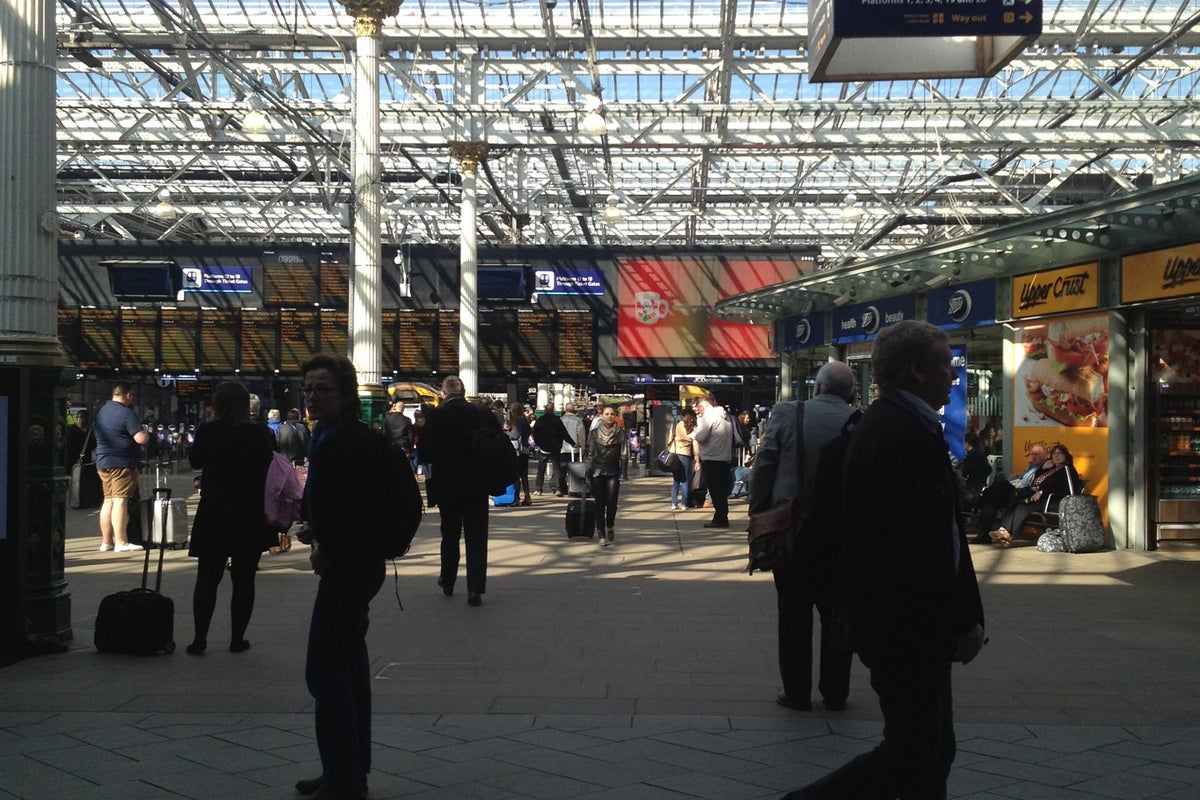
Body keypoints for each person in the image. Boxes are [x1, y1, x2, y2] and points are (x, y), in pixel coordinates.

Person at [780, 320, 985, 800]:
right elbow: (918, 544)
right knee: (915, 752)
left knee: (931, 752)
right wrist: (960, 617)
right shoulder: (897, 432)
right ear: (916, 370)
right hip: (905, 622)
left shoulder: (897, 425)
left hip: (902, 618)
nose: (953, 375)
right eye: (945, 365)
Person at [292, 353, 389, 800]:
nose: (312, 396)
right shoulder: (329, 435)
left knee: (326, 670)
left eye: (323, 388)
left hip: (350, 565)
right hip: (348, 559)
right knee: (347, 667)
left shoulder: (350, 441)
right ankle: (346, 767)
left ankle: (345, 777)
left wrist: (328, 548)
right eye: (308, 388)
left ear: (346, 394)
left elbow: (366, 510)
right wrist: (316, 527)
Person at [750, 361, 857, 712]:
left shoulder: (788, 413)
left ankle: (796, 692)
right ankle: (835, 692)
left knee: (793, 612)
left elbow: (765, 464)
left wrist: (758, 510)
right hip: (842, 535)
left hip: (792, 531)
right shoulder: (860, 420)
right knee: (836, 612)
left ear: (817, 388)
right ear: (850, 393)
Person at [185, 381, 276, 656]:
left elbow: (195, 461)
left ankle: (199, 639)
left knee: (207, 578)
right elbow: (268, 464)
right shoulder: (257, 432)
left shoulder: (208, 430)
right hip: (248, 511)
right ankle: (237, 639)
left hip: (214, 510)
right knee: (244, 579)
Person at [417, 375, 498, 607]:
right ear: (463, 392)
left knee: (450, 534)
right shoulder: (481, 413)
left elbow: (424, 451)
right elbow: (497, 442)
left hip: (447, 485)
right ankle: (475, 589)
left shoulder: (438, 415)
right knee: (476, 536)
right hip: (477, 484)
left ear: (443, 394)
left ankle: (448, 579)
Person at [93, 382, 150, 553]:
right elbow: (140, 439)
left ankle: (106, 542)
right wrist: (145, 431)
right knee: (120, 501)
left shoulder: (101, 411)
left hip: (103, 462)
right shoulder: (126, 413)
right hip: (122, 463)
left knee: (108, 500)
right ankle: (121, 542)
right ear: (128, 395)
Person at [990, 444, 1083, 545]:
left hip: (1051, 499)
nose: (1056, 456)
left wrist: (1042, 492)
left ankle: (1007, 533)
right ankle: (1004, 531)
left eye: (1059, 453)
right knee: (1016, 499)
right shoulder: (1051, 469)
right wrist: (1043, 468)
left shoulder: (1067, 470)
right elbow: (1037, 480)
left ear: (1066, 456)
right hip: (1036, 495)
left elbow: (1065, 488)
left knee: (1023, 507)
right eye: (1054, 454)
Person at [972, 444, 1049, 542]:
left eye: (1037, 454)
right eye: (1032, 454)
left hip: (1022, 494)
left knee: (999, 486)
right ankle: (983, 534)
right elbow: (1020, 478)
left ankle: (979, 501)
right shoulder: (1031, 467)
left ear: (1046, 455)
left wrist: (1044, 467)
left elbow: (1035, 484)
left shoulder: (1046, 467)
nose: (1034, 457)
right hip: (1014, 491)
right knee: (990, 501)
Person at [584, 404, 628, 547]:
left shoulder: (621, 433)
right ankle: (601, 534)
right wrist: (587, 470)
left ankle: (610, 525)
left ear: (615, 416)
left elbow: (624, 453)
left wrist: (624, 473)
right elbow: (590, 453)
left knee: (612, 503)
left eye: (612, 414)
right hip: (597, 471)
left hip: (613, 471)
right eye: (607, 414)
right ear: (602, 416)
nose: (609, 416)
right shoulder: (594, 433)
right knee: (599, 503)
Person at [691, 393, 734, 528]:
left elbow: (702, 437)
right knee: (721, 490)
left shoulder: (709, 417)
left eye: (699, 410)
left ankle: (720, 518)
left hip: (712, 458)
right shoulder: (725, 417)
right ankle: (722, 516)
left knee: (715, 490)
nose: (698, 413)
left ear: (703, 407)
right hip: (724, 457)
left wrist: (694, 435)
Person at [532, 402, 574, 497]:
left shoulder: (540, 420)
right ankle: (558, 489)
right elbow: (564, 434)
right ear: (553, 410)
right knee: (557, 469)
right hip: (555, 448)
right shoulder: (557, 420)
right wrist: (573, 443)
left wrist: (539, 444)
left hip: (543, 448)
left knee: (541, 469)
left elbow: (535, 434)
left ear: (545, 410)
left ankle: (539, 489)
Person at [667, 408, 697, 511]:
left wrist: (670, 448)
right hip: (686, 454)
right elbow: (695, 443)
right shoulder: (692, 427)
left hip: (675, 454)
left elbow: (670, 438)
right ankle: (684, 504)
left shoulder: (676, 425)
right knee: (685, 481)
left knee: (676, 480)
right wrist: (697, 456)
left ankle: (674, 503)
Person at [506, 402, 534, 506]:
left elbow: (515, 435)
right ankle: (527, 497)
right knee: (524, 475)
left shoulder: (518, 421)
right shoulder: (525, 420)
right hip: (525, 449)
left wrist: (506, 431)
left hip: (517, 450)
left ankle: (516, 498)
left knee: (516, 474)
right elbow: (529, 431)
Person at [558, 402, 586, 495]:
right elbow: (581, 435)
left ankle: (561, 488)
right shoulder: (578, 421)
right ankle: (574, 488)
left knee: (562, 470)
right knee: (574, 470)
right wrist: (582, 448)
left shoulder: (560, 420)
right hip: (574, 449)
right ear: (574, 410)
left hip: (561, 449)